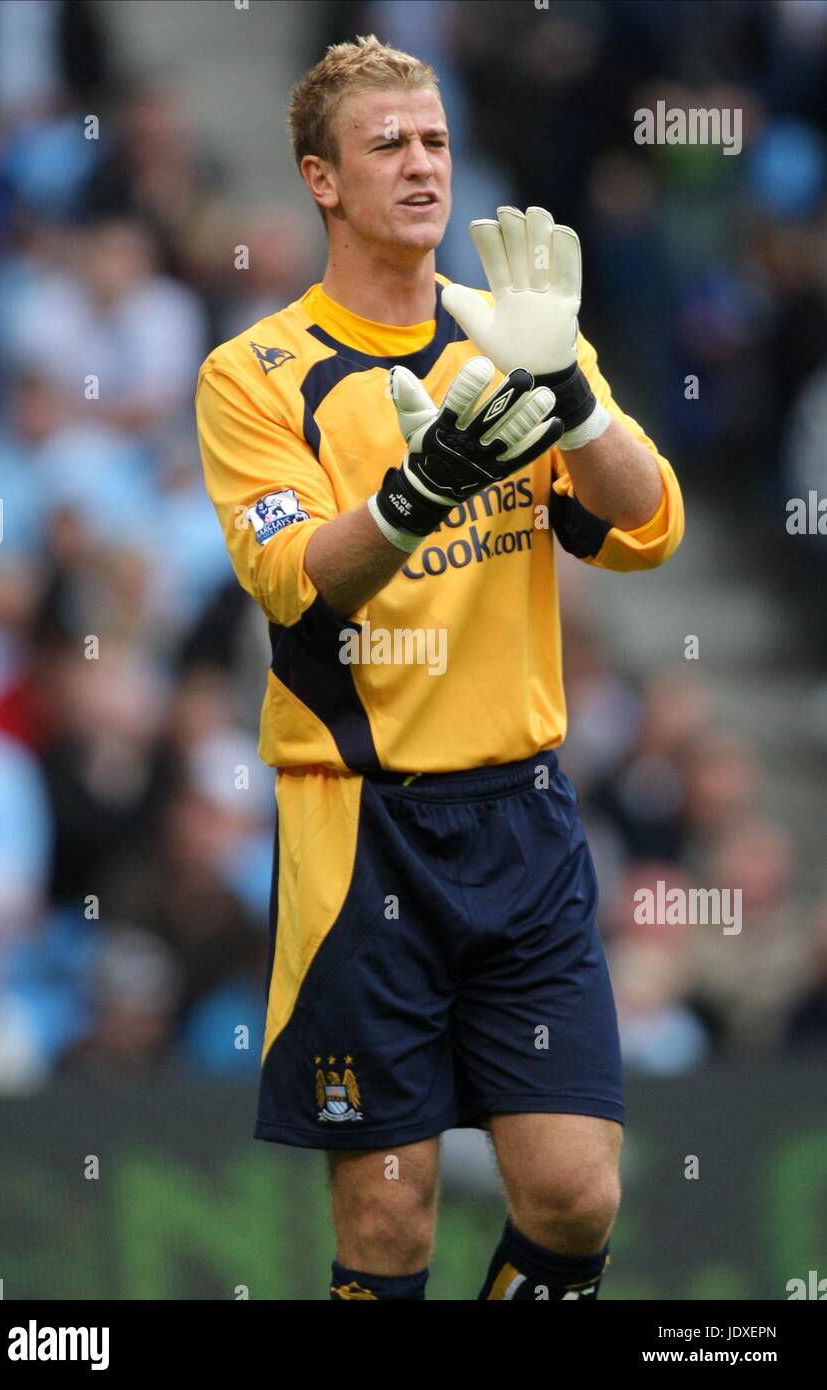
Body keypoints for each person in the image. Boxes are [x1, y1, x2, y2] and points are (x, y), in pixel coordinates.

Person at [195, 34, 684, 1302]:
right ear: (321, 178)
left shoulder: (506, 340)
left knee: (574, 1195)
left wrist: (566, 389)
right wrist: (417, 495)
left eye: (434, 142)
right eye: (385, 146)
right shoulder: (253, 375)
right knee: (389, 1221)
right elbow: (299, 574)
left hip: (522, 815)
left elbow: (645, 527)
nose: (420, 167)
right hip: (363, 827)